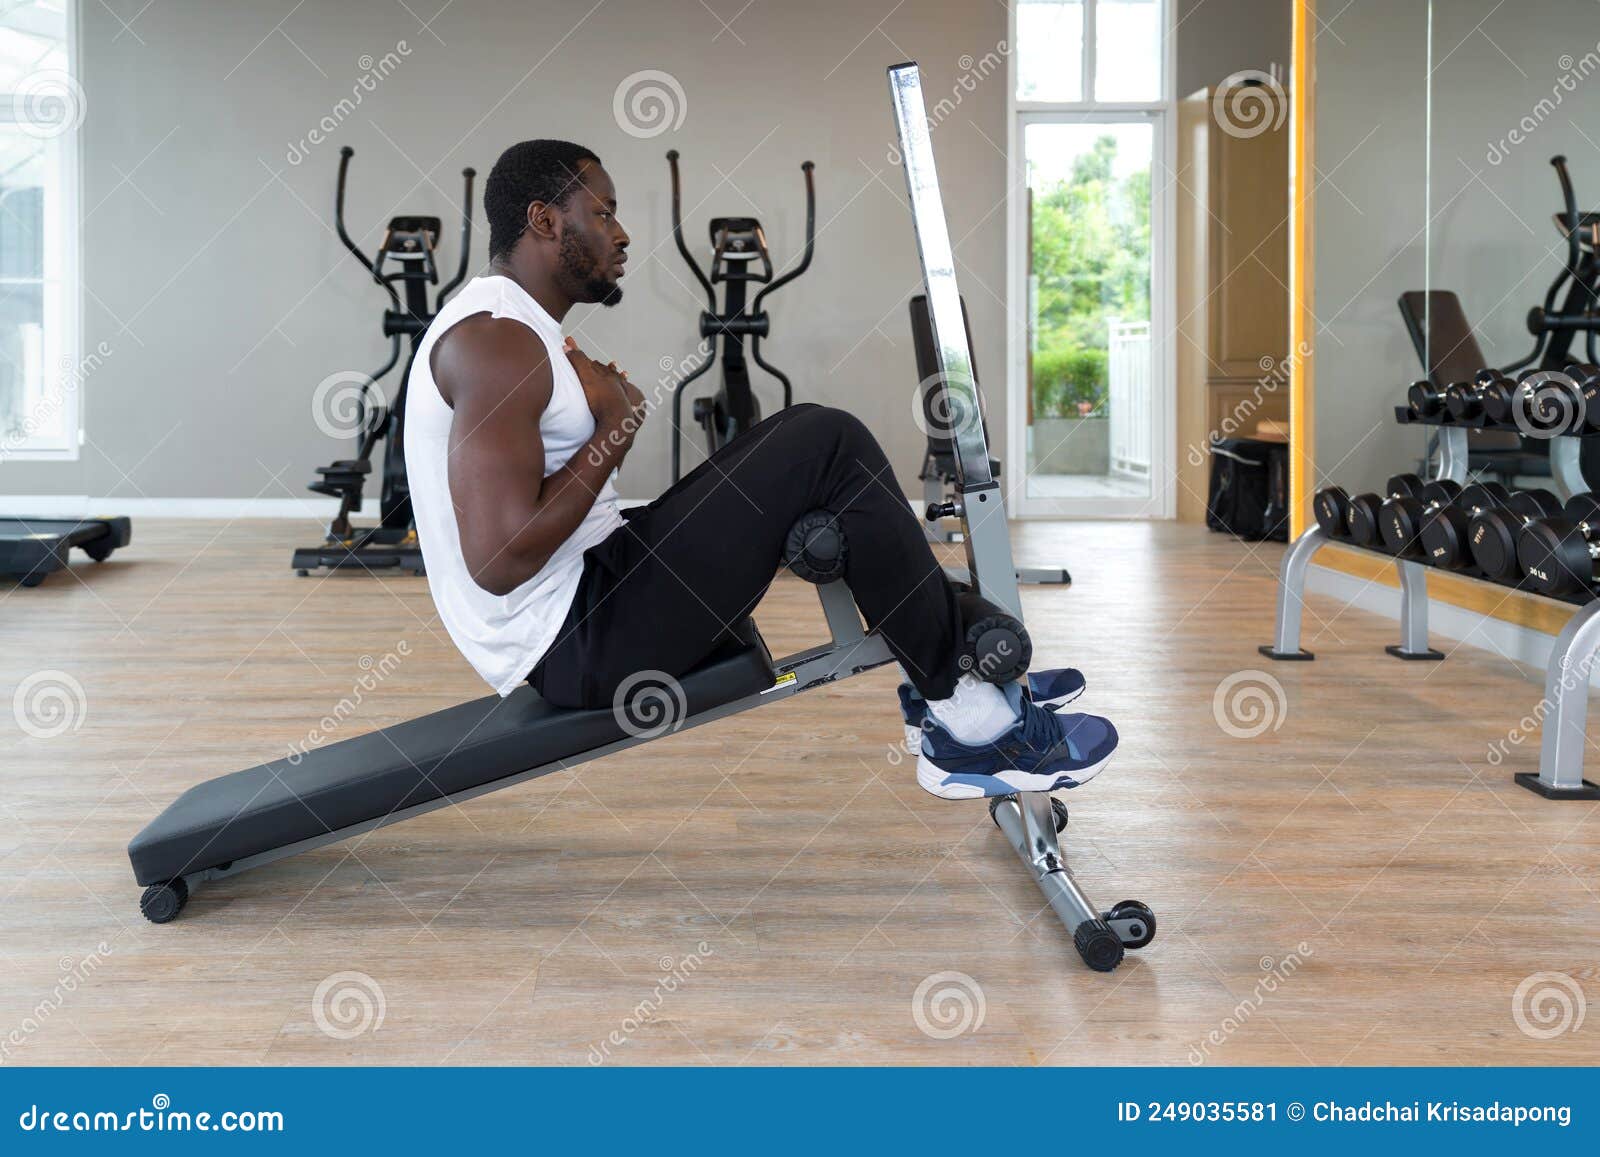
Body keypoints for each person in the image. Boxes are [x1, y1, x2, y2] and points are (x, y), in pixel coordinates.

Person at [404, 139, 1119, 800]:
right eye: (603, 211)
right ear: (543, 220)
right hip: (579, 640)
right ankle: (972, 731)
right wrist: (615, 429)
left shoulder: (514, 327)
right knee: (828, 443)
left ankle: (950, 664)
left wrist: (608, 425)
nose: (621, 234)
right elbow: (497, 559)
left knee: (810, 430)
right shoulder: (495, 341)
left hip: (597, 584)